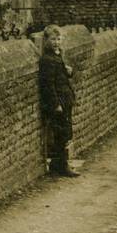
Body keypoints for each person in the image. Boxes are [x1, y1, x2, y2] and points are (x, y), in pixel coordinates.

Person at [38, 25, 79, 177]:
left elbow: (61, 77)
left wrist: (69, 71)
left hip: (65, 99)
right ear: (46, 40)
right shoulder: (47, 60)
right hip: (58, 102)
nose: (56, 42)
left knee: (65, 132)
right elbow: (48, 85)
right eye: (53, 39)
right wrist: (56, 104)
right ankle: (60, 166)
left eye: (58, 39)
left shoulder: (57, 56)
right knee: (60, 134)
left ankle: (60, 164)